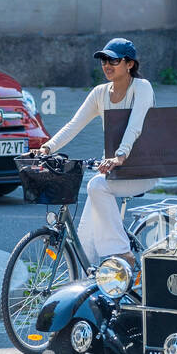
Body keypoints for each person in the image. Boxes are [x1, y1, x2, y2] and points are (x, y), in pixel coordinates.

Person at [38, 38, 156, 267]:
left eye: (114, 59)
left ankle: (123, 254)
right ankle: (81, 283)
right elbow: (74, 125)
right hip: (112, 169)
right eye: (104, 60)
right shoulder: (100, 93)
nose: (107, 65)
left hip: (142, 169)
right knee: (84, 236)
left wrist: (120, 155)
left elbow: (135, 125)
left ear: (129, 64)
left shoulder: (142, 88)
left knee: (96, 186)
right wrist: (47, 147)